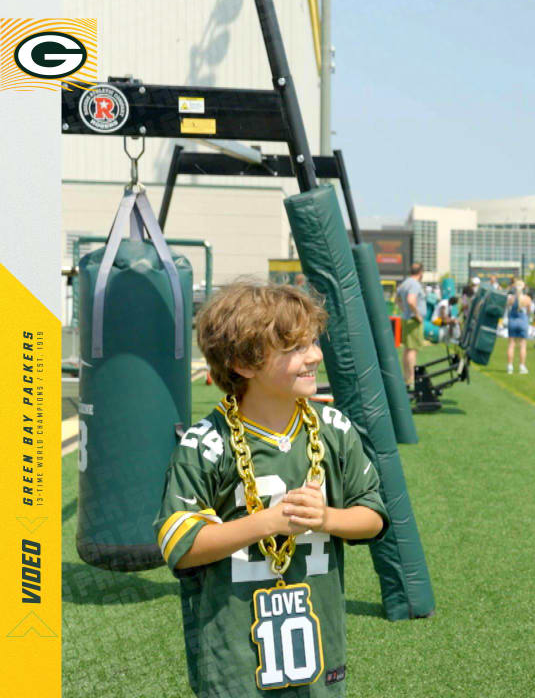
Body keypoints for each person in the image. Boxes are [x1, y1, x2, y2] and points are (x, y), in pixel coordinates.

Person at [154, 281, 388, 697]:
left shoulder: (334, 430)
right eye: (295, 348)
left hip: (316, 639)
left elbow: (372, 516)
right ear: (244, 363)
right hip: (235, 648)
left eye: (313, 342)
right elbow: (180, 544)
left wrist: (327, 518)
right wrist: (268, 521)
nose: (315, 355)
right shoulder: (207, 442)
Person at [395, 263, 429, 391]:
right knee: (412, 350)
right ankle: (411, 379)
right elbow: (411, 300)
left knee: (407, 350)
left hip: (406, 318)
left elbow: (397, 299)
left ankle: (407, 377)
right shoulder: (414, 284)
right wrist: (417, 315)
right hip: (413, 320)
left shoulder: (405, 283)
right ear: (421, 272)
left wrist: (404, 310)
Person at [505, 280, 533, 374]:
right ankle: (522, 366)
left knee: (511, 344)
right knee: (522, 345)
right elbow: (529, 311)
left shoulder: (511, 298)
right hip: (523, 321)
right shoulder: (527, 298)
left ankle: (510, 366)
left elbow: (507, 307)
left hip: (512, 321)